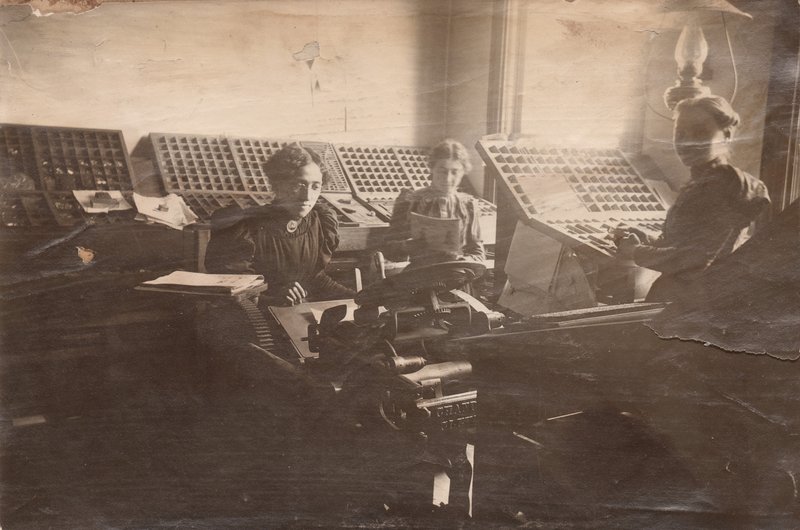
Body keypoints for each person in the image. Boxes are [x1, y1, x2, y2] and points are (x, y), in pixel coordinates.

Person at [614, 95, 770, 302]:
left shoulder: (724, 182)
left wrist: (635, 252)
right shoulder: (701, 180)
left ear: (727, 135)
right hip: (685, 296)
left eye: (700, 132)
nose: (687, 142)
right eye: (680, 133)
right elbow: (688, 243)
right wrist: (646, 238)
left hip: (700, 302)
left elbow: (695, 259)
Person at [205, 143, 354, 305]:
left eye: (315, 186)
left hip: (289, 315)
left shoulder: (319, 221)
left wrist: (361, 297)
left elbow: (315, 279)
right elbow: (231, 296)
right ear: (279, 185)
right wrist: (274, 298)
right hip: (251, 318)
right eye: (299, 185)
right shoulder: (244, 227)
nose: (307, 196)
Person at [383, 139, 484, 267]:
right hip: (419, 275)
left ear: (463, 172)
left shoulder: (468, 205)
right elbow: (388, 250)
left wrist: (466, 261)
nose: (447, 178)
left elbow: (478, 253)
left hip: (456, 274)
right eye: (442, 171)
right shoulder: (409, 200)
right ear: (432, 168)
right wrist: (407, 246)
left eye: (454, 172)